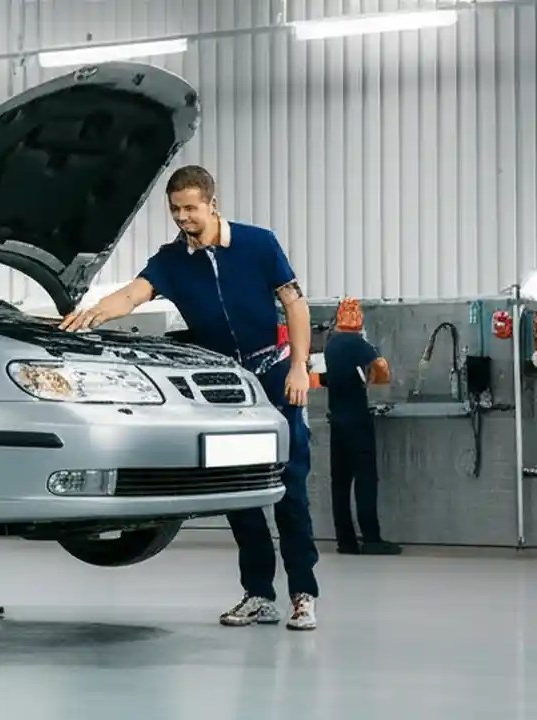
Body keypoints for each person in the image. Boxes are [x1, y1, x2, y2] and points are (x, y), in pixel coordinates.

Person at [59, 165, 319, 631]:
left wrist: (300, 366)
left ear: (212, 205)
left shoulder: (259, 244)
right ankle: (259, 594)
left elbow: (294, 304)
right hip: (226, 391)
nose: (183, 218)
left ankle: (303, 594)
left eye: (191, 209)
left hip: (276, 378)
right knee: (241, 493)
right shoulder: (172, 261)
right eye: (176, 210)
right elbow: (131, 296)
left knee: (290, 489)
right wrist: (91, 314)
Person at [321, 298, 402, 555]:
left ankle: (345, 541)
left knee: (340, 483)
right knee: (365, 480)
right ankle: (372, 539)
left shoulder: (330, 345)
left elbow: (320, 378)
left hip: (336, 420)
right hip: (357, 421)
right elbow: (383, 372)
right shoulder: (359, 344)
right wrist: (370, 377)